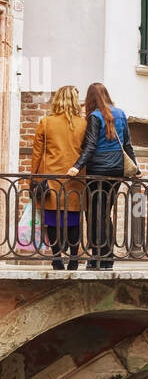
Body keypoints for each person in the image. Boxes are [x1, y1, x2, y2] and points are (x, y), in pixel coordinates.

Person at [67, 82, 139, 269]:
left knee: (94, 214)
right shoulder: (121, 113)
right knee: (105, 214)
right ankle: (107, 257)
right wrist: (136, 168)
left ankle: (97, 257)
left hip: (97, 171)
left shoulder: (94, 116)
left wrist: (77, 166)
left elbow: (90, 146)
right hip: (116, 171)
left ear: (90, 99)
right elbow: (128, 145)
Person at [31, 85, 86, 270]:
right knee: (73, 218)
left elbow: (37, 154)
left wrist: (34, 179)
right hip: (76, 180)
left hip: (52, 178)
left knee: (52, 219)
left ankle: (56, 259)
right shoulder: (83, 124)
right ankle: (74, 259)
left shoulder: (46, 122)